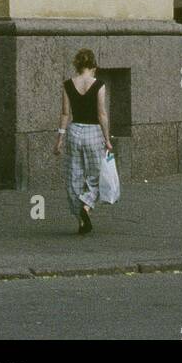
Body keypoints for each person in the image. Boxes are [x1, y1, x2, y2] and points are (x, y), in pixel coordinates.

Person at [54, 48, 113, 235]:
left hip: (74, 132)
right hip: (94, 133)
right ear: (93, 66)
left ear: (77, 66)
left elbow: (65, 113)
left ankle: (80, 220)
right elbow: (101, 114)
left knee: (74, 176)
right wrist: (107, 138)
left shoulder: (67, 84)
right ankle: (86, 207)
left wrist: (59, 139)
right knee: (96, 176)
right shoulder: (99, 84)